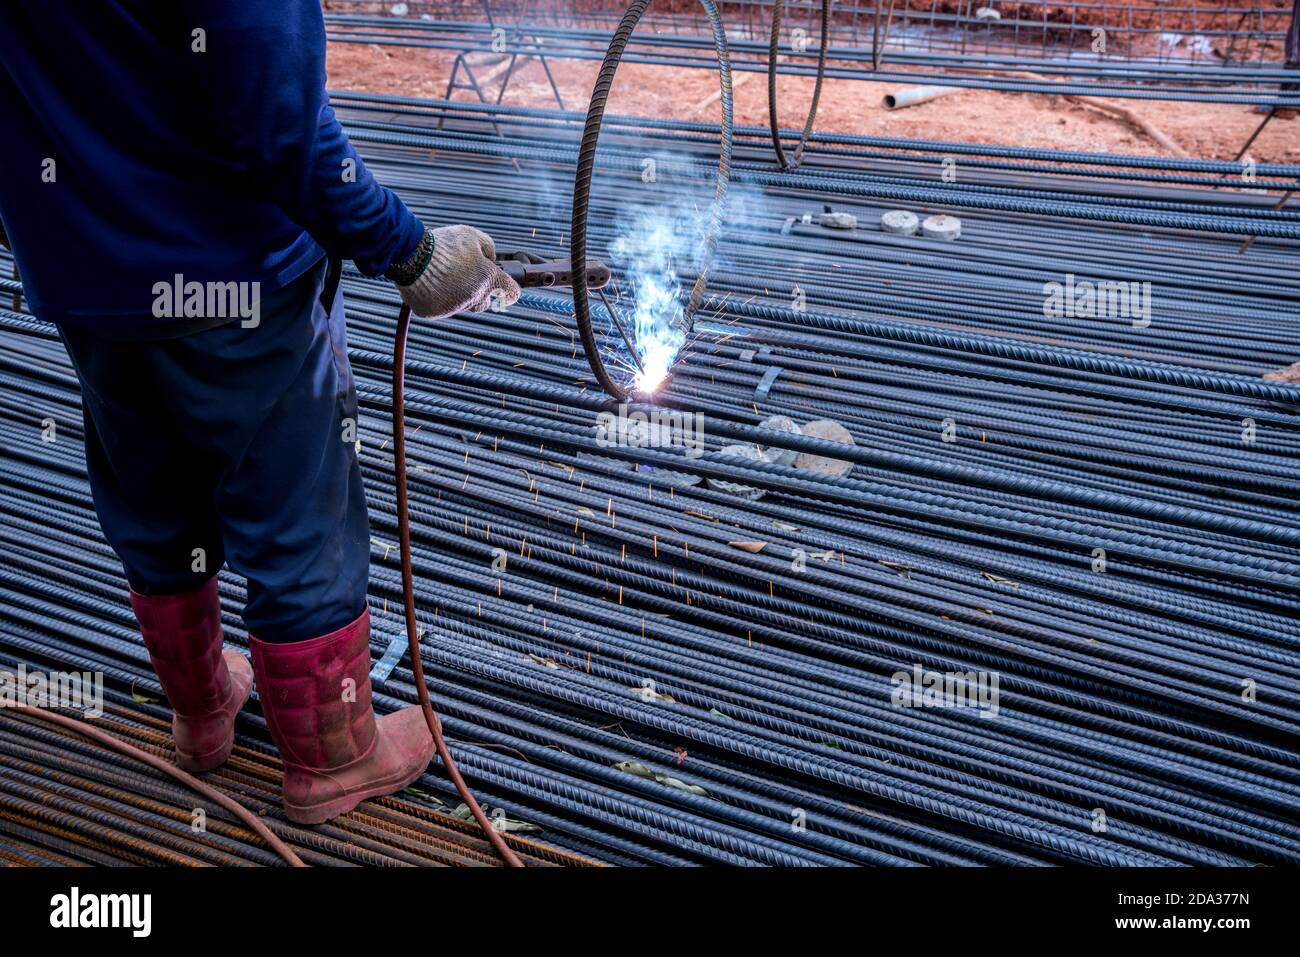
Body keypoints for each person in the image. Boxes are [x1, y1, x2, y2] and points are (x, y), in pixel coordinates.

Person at [0, 1, 520, 824]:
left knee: (153, 489)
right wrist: (413, 252)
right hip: (235, 281)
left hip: (85, 281)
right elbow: (282, 130)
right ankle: (333, 757)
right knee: (298, 513)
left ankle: (203, 711)